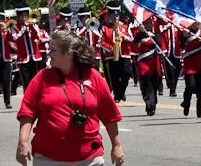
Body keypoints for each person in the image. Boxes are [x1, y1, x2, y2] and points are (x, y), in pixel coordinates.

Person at [16, 31, 125, 166]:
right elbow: (27, 112)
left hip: (89, 158)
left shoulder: (93, 76)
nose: (49, 54)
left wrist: (116, 145)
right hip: (48, 158)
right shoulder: (42, 77)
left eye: (53, 50)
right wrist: (23, 142)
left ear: (68, 53)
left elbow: (110, 115)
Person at [180, 23, 201, 118]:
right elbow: (181, 45)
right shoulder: (185, 32)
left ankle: (200, 111)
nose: (195, 24)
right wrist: (184, 36)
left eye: (196, 22)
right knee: (190, 86)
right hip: (189, 64)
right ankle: (186, 103)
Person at [133, 17, 163, 116]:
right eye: (146, 24)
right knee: (146, 84)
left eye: (150, 23)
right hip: (143, 63)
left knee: (154, 85)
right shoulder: (139, 36)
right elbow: (134, 43)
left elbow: (159, 44)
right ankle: (149, 104)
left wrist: (153, 36)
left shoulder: (155, 34)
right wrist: (142, 32)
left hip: (154, 63)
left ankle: (152, 102)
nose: (148, 25)